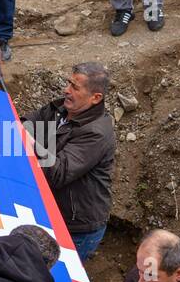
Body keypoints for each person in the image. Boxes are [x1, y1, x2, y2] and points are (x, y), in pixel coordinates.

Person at [22, 63, 115, 260]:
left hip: (77, 228)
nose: (66, 90)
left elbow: (57, 173)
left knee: (57, 278)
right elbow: (28, 121)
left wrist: (28, 141)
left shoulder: (96, 133)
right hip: (53, 209)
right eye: (68, 83)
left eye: (75, 87)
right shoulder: (61, 108)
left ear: (95, 97)